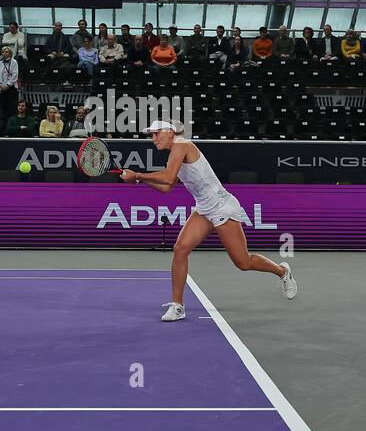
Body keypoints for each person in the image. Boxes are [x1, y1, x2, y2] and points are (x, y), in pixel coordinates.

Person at [121, 121, 296, 321]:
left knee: (243, 262)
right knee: (181, 248)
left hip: (222, 206)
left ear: (170, 132)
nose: (153, 139)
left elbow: (168, 179)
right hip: (204, 208)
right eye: (151, 135)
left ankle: (282, 271)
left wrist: (138, 174)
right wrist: (139, 179)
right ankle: (178, 306)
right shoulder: (175, 152)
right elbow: (167, 188)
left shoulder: (182, 145)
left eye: (156, 133)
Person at [0, 45, 20, 120]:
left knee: (11, 108)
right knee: (3, 107)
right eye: (3, 52)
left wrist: (8, 85)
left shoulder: (14, 62)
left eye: (6, 52)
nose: (4, 53)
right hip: (2, 88)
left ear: (10, 53)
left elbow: (15, 75)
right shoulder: (0, 63)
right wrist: (0, 84)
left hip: (11, 88)